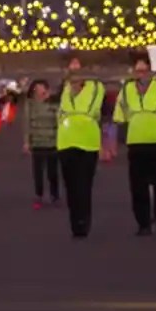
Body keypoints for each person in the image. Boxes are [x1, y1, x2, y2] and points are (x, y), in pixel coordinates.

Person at [111, 53, 156, 235]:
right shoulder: (126, 90)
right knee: (138, 187)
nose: (141, 74)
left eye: (144, 71)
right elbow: (119, 116)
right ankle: (143, 223)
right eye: (138, 71)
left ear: (151, 71)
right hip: (136, 142)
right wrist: (114, 142)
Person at [55, 53, 108, 238]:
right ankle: (74, 223)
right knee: (70, 185)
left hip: (87, 141)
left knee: (84, 185)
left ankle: (84, 222)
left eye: (78, 65)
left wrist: (106, 143)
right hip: (66, 141)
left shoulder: (95, 87)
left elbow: (100, 112)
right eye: (72, 65)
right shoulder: (64, 88)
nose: (75, 68)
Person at [22, 79, 60, 209]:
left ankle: (55, 195)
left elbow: (59, 120)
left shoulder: (53, 103)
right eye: (36, 89)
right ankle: (38, 195)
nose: (39, 92)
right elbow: (27, 124)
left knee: (52, 172)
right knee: (38, 172)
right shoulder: (30, 104)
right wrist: (27, 142)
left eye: (41, 89)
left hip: (52, 141)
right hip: (37, 142)